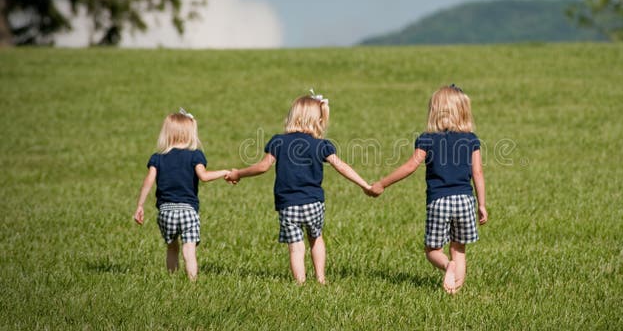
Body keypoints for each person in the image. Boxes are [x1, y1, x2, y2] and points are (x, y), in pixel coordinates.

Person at [225, 92, 372, 285]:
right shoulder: (321, 145)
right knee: (316, 238)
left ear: (292, 116)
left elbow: (262, 167)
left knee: (295, 247)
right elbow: (342, 167)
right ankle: (321, 278)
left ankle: (300, 283)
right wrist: (365, 185)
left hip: (288, 205)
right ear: (319, 120)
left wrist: (238, 174)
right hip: (314, 204)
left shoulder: (278, 141)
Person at [368, 85, 487, 294]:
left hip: (439, 201)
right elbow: (477, 173)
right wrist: (482, 204)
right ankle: (454, 292)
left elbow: (410, 166)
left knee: (432, 249)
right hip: (465, 201)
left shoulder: (427, 138)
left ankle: (446, 266)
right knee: (459, 249)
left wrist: (382, 183)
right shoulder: (471, 139)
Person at [133, 109, 230, 281]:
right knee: (189, 249)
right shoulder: (195, 155)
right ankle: (192, 282)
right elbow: (204, 176)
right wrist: (225, 172)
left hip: (166, 211)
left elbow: (149, 180)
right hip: (188, 211)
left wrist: (140, 205)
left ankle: (172, 280)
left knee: (172, 247)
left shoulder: (157, 158)